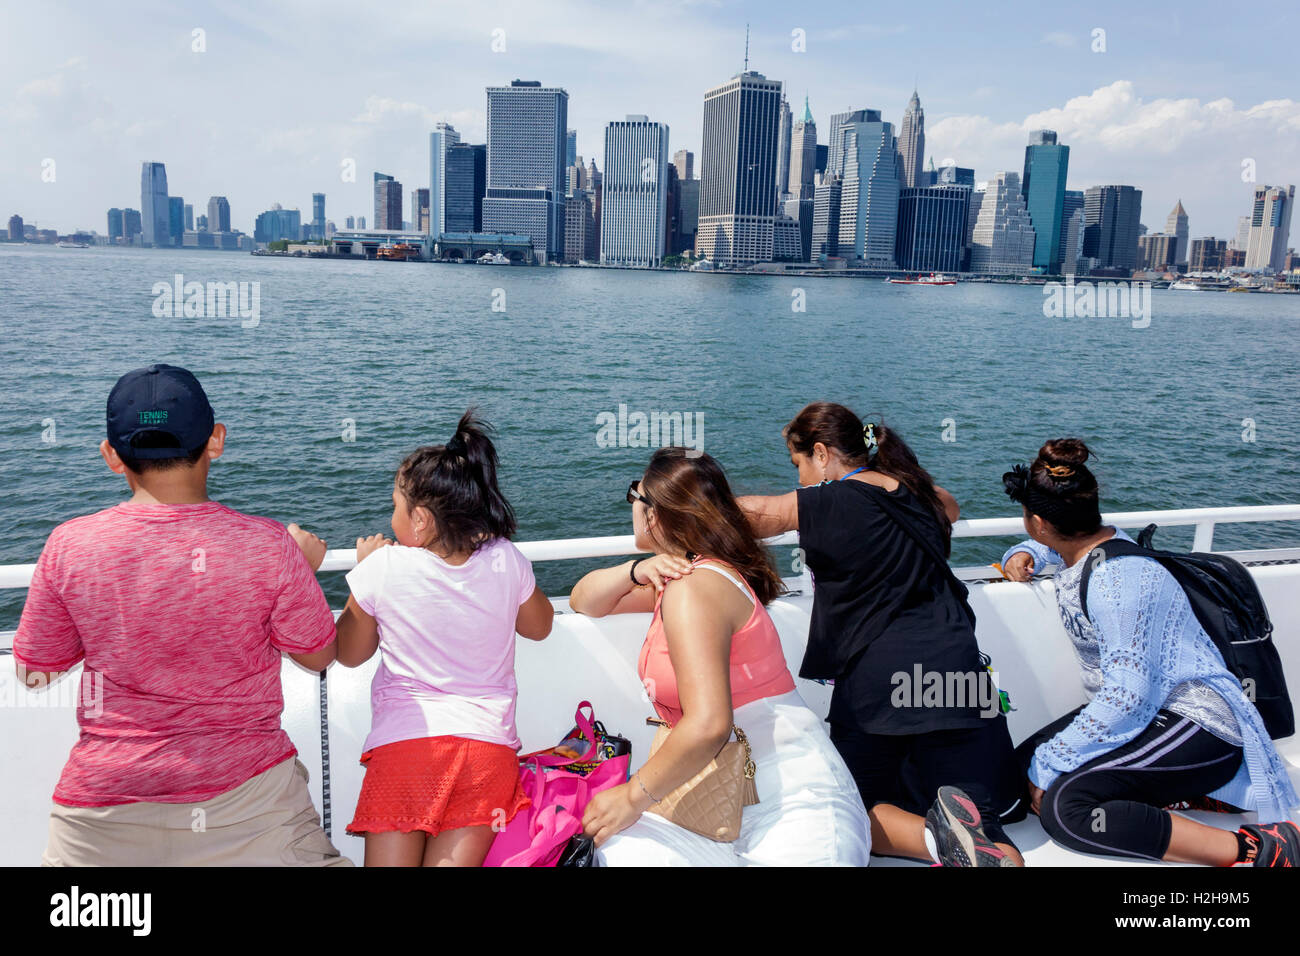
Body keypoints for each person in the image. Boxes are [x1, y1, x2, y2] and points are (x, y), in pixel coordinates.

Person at [13, 364, 349, 866]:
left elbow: (35, 674)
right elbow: (320, 655)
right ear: (215, 440)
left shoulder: (71, 545)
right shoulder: (268, 546)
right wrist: (297, 568)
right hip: (251, 806)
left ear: (110, 455)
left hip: (106, 813)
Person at [737, 401, 1025, 867]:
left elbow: (744, 515)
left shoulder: (830, 499)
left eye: (799, 465)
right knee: (982, 818)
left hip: (882, 678)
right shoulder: (918, 494)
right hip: (958, 670)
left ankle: (935, 838)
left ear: (822, 452)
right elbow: (949, 502)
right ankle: (969, 837)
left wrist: (664, 503)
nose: (800, 480)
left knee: (847, 809)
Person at [1000, 438, 1299, 865]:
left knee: (1065, 809)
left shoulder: (1118, 582)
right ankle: (1185, 795)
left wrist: (1052, 761)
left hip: (1199, 722)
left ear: (1038, 520)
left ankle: (1262, 849)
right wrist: (1024, 551)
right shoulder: (1091, 544)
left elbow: (1128, 697)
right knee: (1013, 771)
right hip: (1149, 711)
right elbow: (1052, 546)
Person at [571, 447, 871, 866]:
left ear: (654, 514)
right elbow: (584, 601)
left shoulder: (695, 589)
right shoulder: (681, 580)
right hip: (714, 802)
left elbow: (711, 723)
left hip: (793, 804)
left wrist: (631, 796)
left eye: (634, 497)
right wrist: (636, 570)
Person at [325, 411, 553, 867]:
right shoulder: (505, 558)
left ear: (422, 520)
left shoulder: (384, 568)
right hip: (486, 753)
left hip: (408, 750)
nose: (391, 517)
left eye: (395, 506)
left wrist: (365, 569)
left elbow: (349, 654)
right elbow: (539, 626)